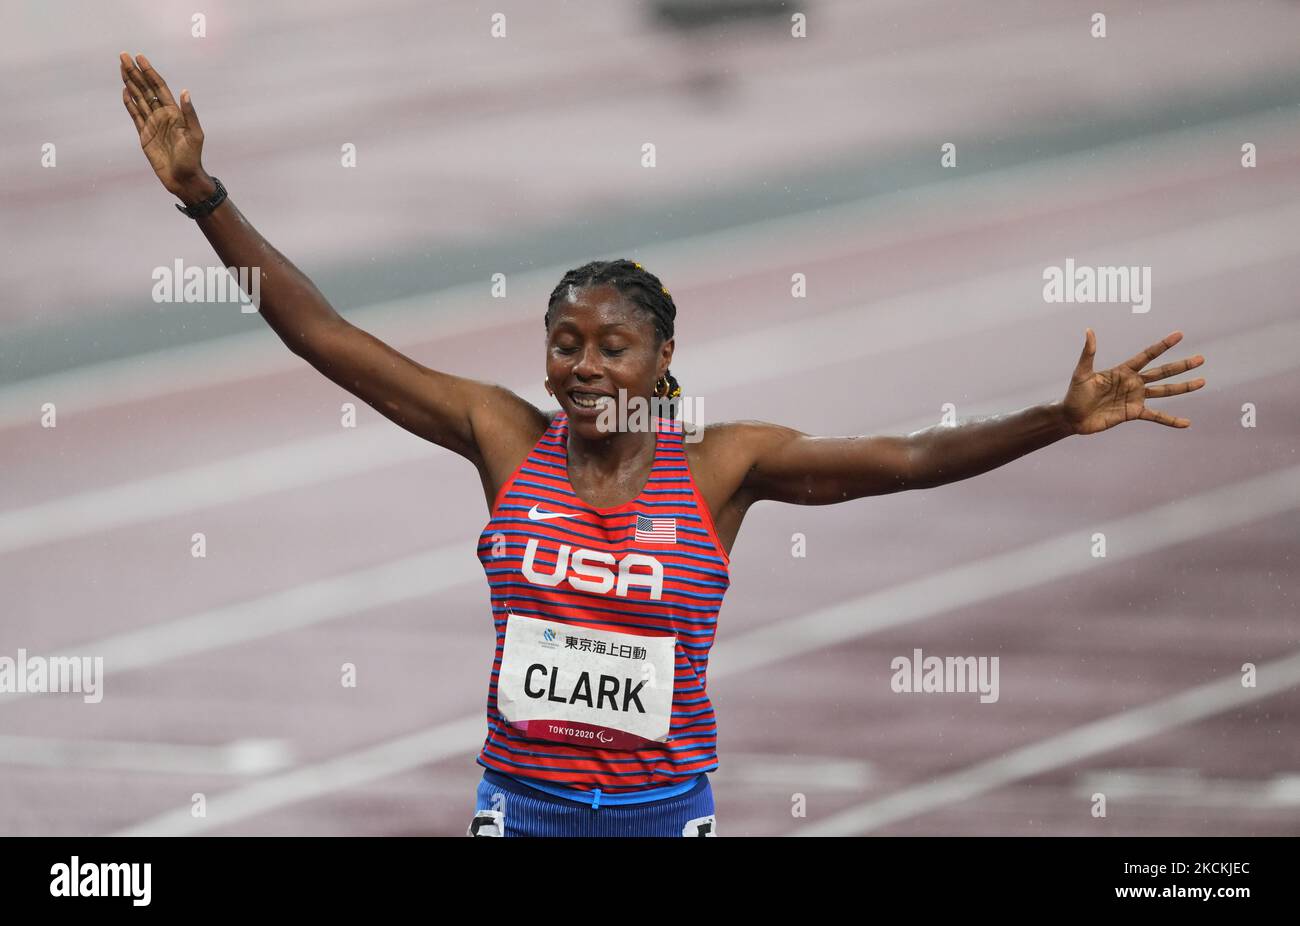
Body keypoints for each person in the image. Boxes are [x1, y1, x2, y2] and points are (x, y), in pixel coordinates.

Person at [118, 52, 1208, 837]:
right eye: (565, 343)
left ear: (662, 355)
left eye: (612, 348)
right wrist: (205, 197)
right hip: (521, 807)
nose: (585, 367)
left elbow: (910, 460)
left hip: (660, 812)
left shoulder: (724, 467)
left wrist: (1055, 419)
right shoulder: (504, 436)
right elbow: (324, 334)